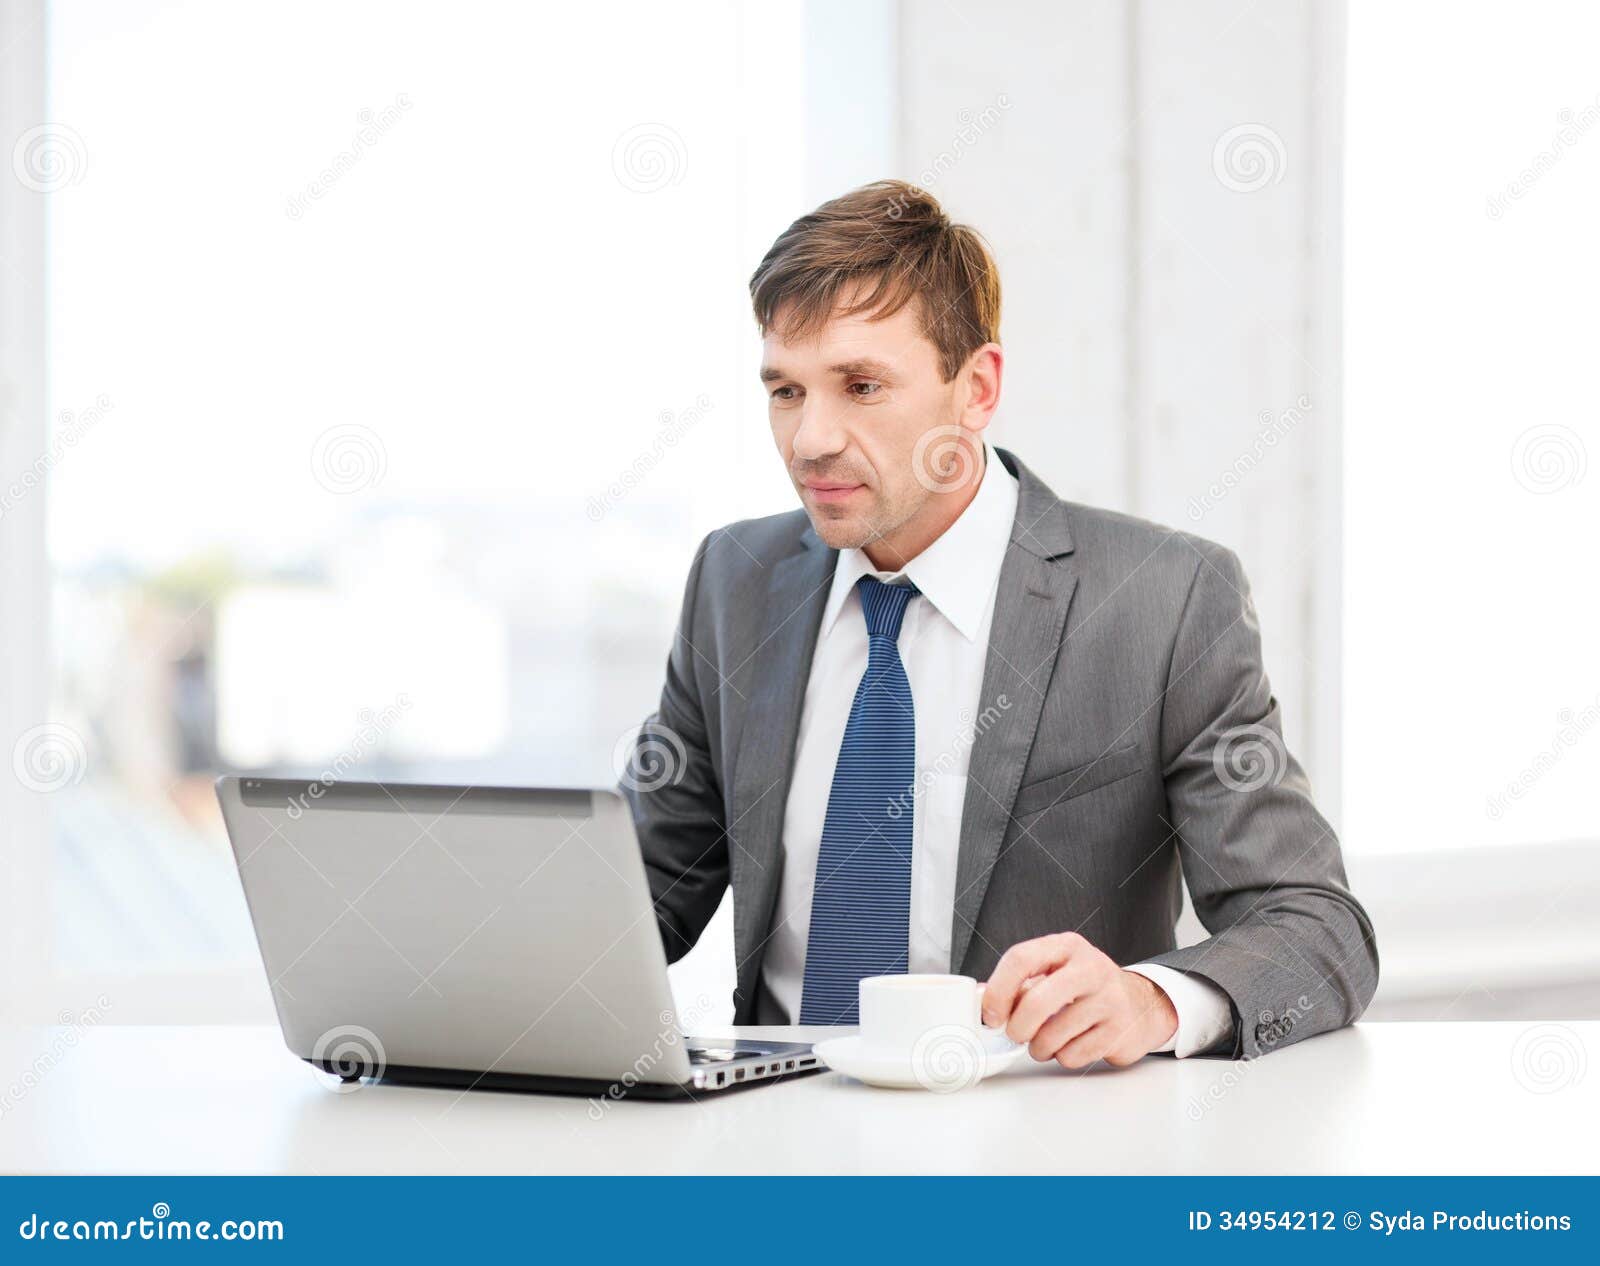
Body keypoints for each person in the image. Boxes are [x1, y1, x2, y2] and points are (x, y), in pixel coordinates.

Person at [621, 179, 1377, 1066]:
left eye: (861, 386)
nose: (810, 439)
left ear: (976, 388)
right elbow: (633, 899)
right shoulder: (734, 581)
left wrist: (1150, 1001)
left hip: (1033, 1147)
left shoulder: (1163, 600)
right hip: (769, 1137)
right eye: (785, 391)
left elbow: (1317, 926)